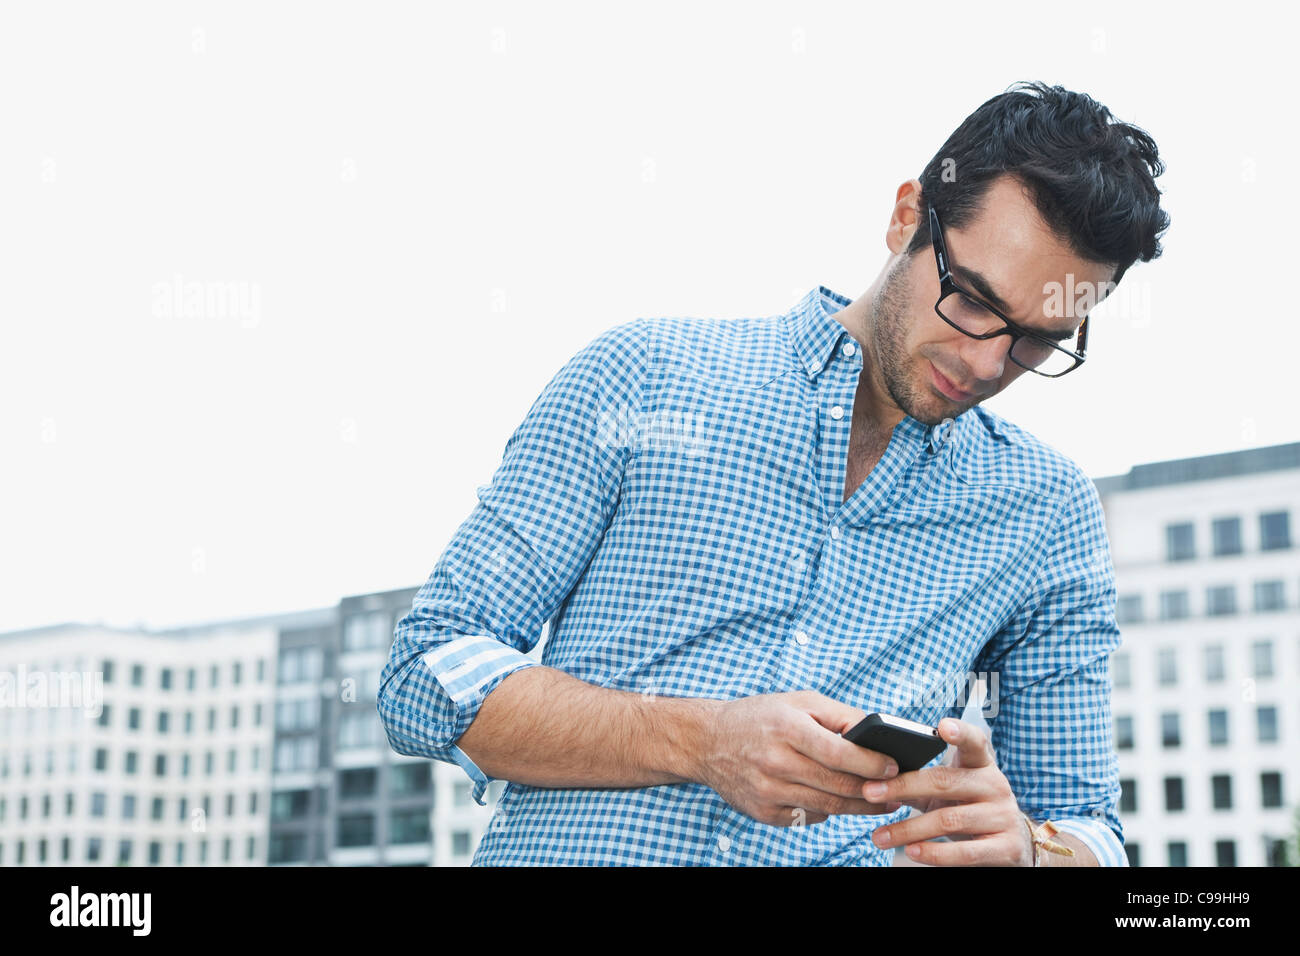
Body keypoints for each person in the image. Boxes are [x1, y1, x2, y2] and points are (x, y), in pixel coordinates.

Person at [377, 80, 1169, 866]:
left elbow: (1088, 827)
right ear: (906, 217)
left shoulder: (1048, 511)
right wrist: (701, 741)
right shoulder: (643, 376)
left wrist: (1030, 852)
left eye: (1038, 339)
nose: (988, 362)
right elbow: (427, 674)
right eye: (972, 300)